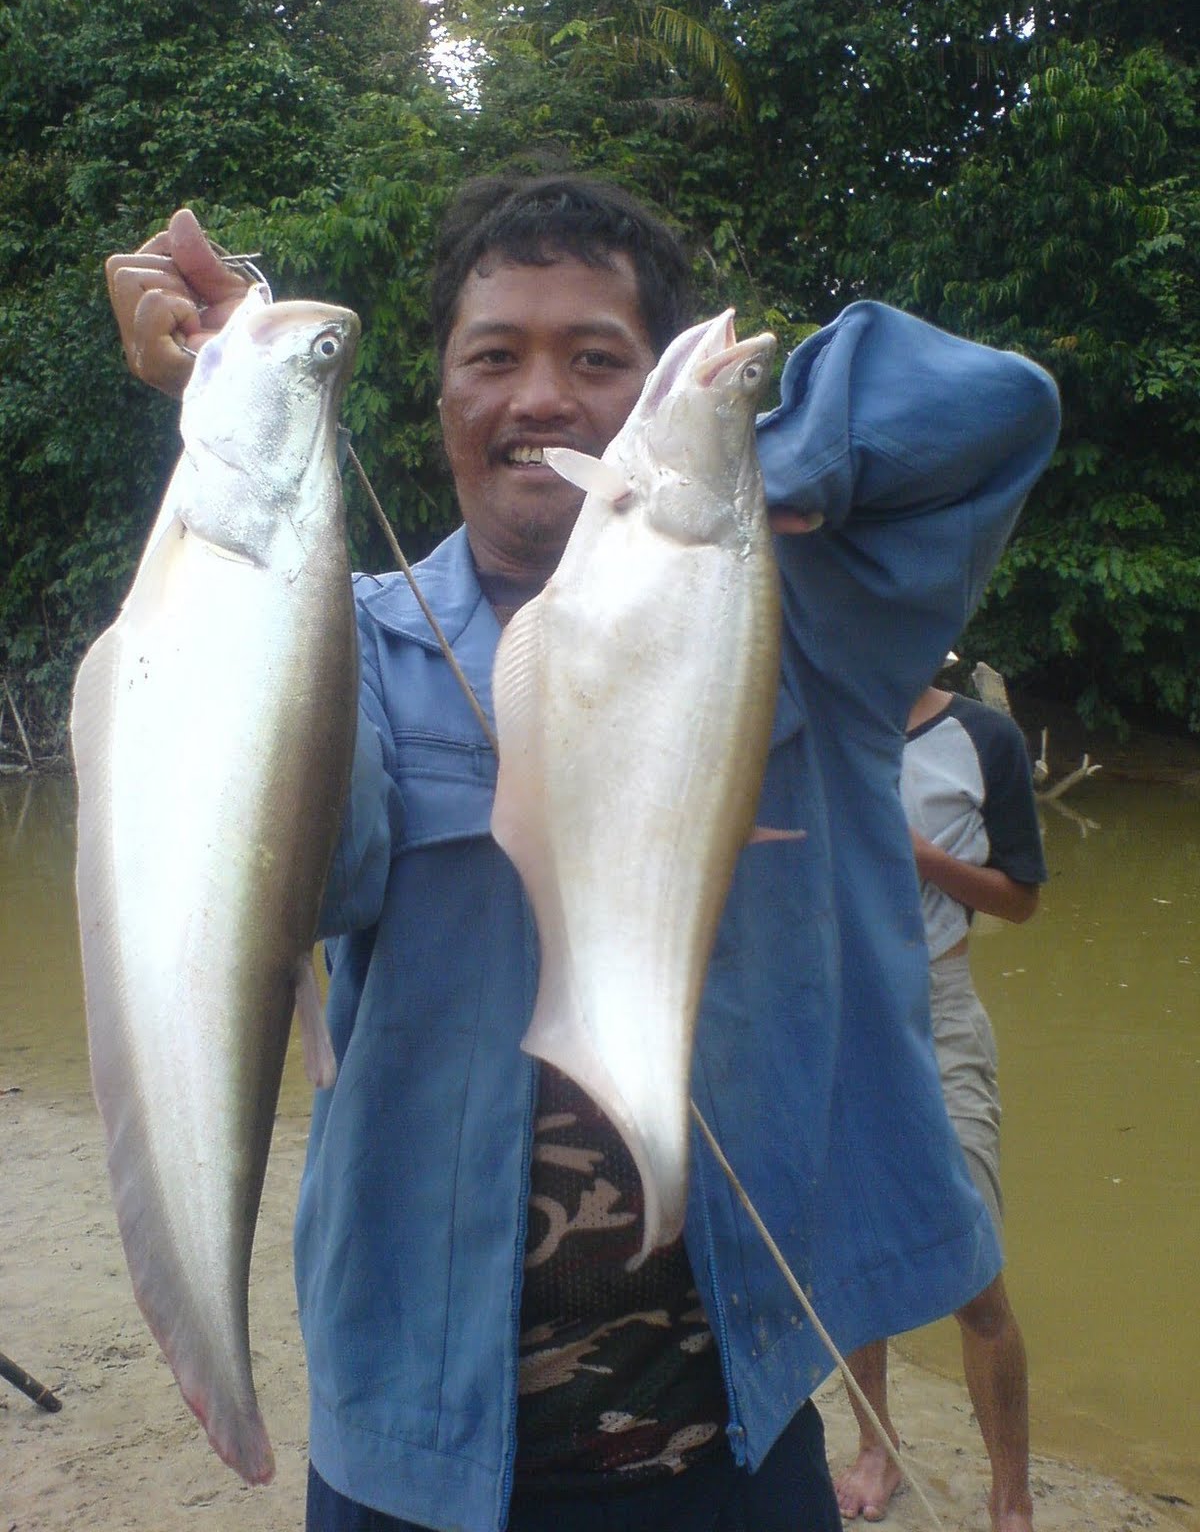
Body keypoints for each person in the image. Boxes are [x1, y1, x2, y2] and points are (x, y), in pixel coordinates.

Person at [104, 174, 1061, 1532]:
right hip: (418, 1442)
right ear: (439, 404)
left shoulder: (804, 618)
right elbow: (308, 872)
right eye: (493, 356)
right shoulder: (352, 642)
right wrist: (237, 396)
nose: (539, 395)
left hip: (736, 1427)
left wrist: (711, 469)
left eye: (597, 357)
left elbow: (1001, 408)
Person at [834, 680, 1048, 1531]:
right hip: (845, 1010)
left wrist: (924, 862)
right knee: (852, 1254)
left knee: (977, 1271)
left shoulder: (985, 737)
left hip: (942, 1008)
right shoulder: (826, 719)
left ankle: (1013, 1496)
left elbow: (1023, 898)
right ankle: (877, 1446)